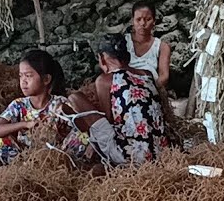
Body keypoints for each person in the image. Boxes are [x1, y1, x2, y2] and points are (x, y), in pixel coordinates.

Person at [66, 34, 169, 167]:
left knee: (75, 98)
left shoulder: (105, 80)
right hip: (159, 151)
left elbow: (107, 120)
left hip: (128, 156)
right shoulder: (146, 74)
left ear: (102, 59)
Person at [0, 49, 86, 164]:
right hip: (27, 160)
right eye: (21, 76)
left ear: (46, 79)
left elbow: (83, 128)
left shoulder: (60, 104)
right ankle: (22, 171)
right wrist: (24, 124)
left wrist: (67, 117)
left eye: (28, 76)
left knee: (83, 137)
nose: (23, 81)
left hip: (56, 159)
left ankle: (63, 169)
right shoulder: (18, 105)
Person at [126, 1, 171, 91]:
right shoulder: (124, 42)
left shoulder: (161, 47)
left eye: (147, 19)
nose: (142, 24)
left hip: (149, 89)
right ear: (132, 21)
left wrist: (149, 90)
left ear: (154, 21)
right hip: (125, 86)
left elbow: (164, 77)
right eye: (138, 19)